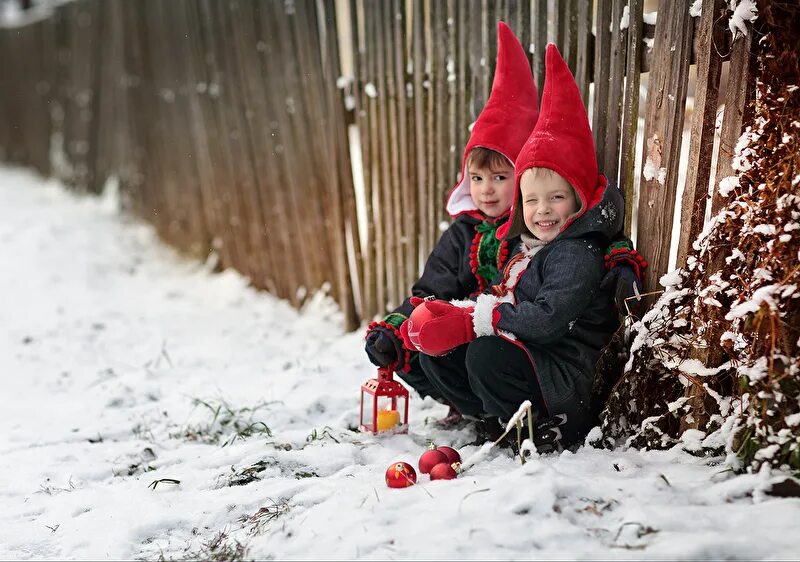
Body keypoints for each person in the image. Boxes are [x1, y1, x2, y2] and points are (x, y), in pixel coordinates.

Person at [403, 44, 627, 449]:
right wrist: (454, 316)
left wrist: (478, 321)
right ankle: (492, 417)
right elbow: (499, 299)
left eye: (556, 198)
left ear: (579, 198)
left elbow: (546, 321)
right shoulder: (530, 246)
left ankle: (544, 427)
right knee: (445, 351)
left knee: (486, 355)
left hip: (565, 379)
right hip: (536, 359)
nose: (543, 211)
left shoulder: (576, 253)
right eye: (532, 201)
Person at [363, 22, 540, 426]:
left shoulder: (536, 229)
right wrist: (393, 329)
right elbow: (430, 291)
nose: (487, 191)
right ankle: (474, 409)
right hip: (460, 337)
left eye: (500, 177)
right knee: (418, 343)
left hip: (513, 341)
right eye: (477, 179)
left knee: (485, 355)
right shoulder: (463, 234)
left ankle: (507, 408)